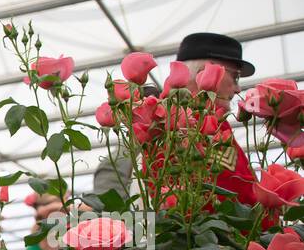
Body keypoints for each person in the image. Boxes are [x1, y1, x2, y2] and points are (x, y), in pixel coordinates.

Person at [91, 32, 257, 204]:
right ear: (204, 72)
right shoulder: (157, 126)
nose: (238, 89)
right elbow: (110, 185)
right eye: (235, 76)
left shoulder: (218, 128)